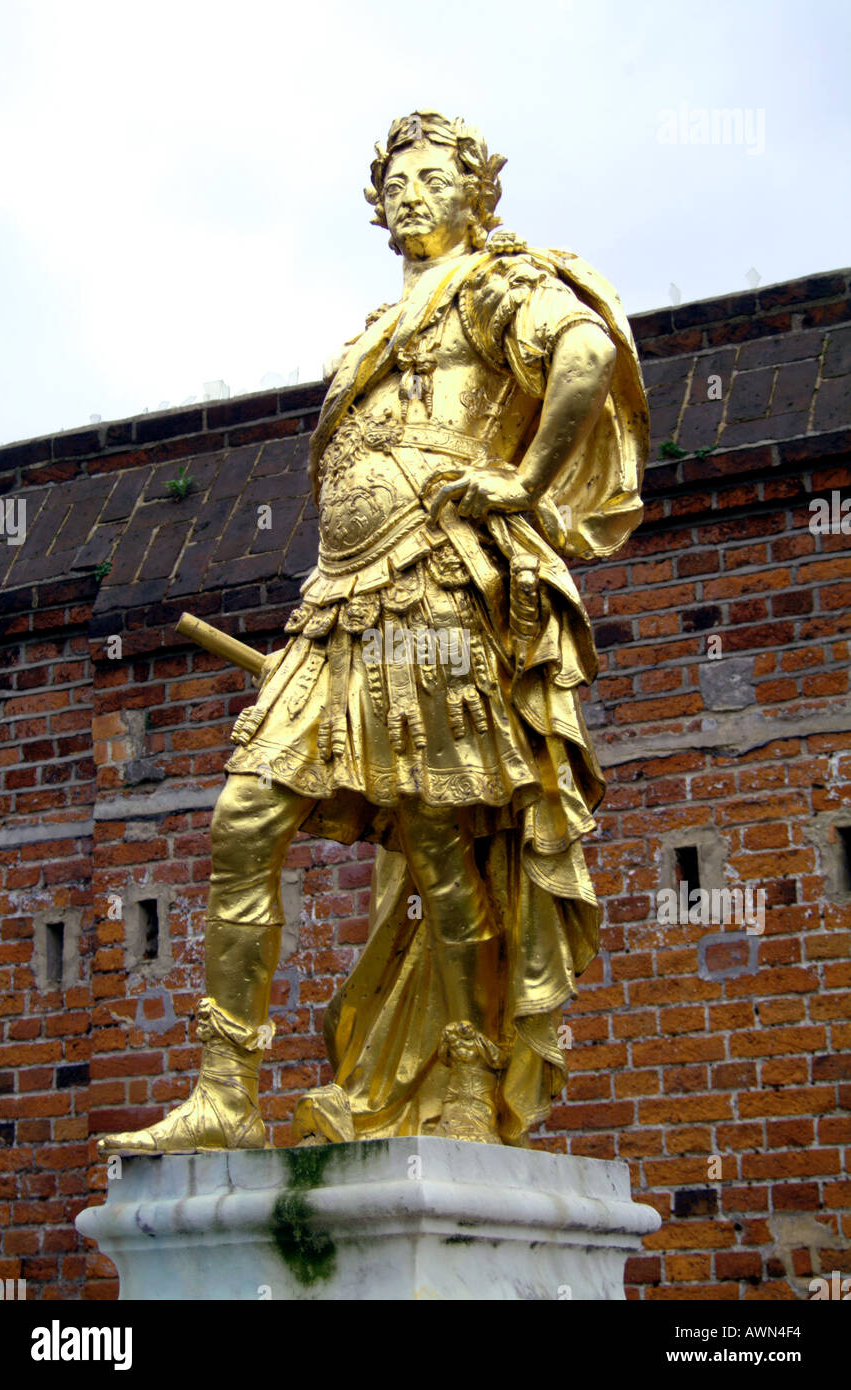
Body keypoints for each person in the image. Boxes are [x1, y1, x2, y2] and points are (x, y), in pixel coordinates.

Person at [99, 110, 647, 1156]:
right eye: (393, 180)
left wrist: (524, 481)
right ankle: (224, 1092)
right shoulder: (371, 331)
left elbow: (583, 353)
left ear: (476, 190)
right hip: (339, 598)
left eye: (432, 175)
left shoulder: (499, 282)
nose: (408, 193)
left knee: (441, 839)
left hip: (435, 588)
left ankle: (469, 1084)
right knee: (244, 815)